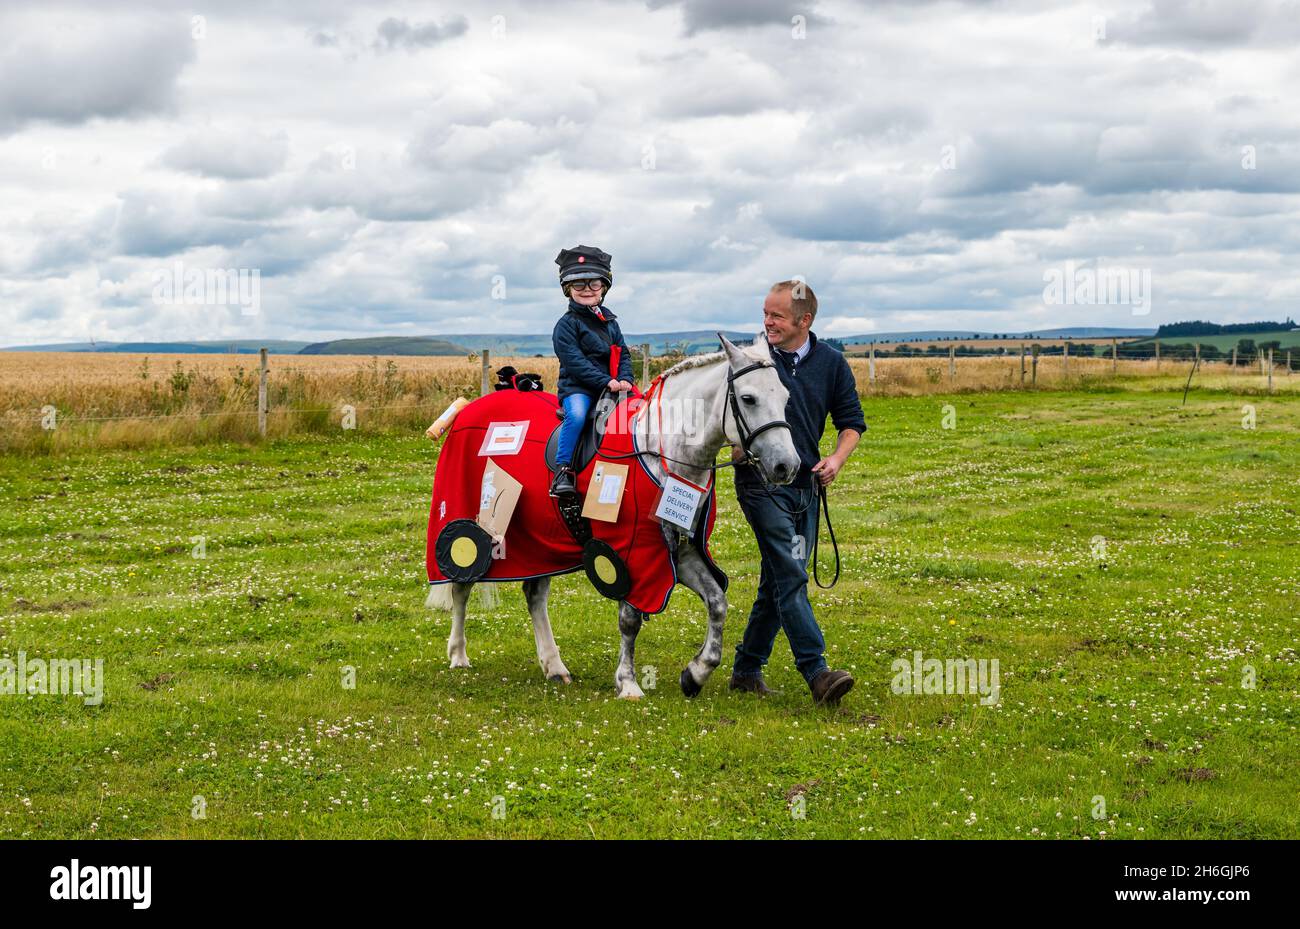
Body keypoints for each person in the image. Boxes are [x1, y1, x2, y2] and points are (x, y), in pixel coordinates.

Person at [730, 281, 866, 706]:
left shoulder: (831, 364)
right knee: (791, 574)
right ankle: (817, 671)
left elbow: (851, 422)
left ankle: (746, 669)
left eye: (777, 316)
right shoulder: (753, 361)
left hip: (806, 486)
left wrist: (837, 459)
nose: (767, 322)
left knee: (776, 581)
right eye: (765, 313)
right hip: (760, 484)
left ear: (804, 321)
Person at [550, 245, 635, 497]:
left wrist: (626, 378)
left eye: (593, 284)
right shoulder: (565, 325)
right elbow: (575, 362)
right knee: (576, 415)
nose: (587, 289)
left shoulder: (610, 322)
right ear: (568, 290)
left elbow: (623, 353)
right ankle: (563, 471)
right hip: (579, 388)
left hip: (614, 384)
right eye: (579, 285)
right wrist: (606, 381)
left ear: (603, 288)